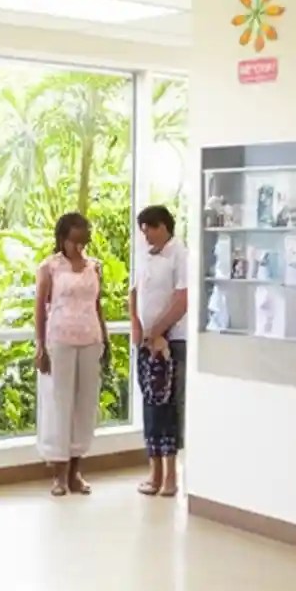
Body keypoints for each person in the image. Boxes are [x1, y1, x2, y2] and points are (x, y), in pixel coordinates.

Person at [34, 212, 109, 497]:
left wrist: (106, 341)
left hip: (90, 340)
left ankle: (77, 471)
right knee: (59, 403)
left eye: (83, 241)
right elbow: (40, 308)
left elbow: (97, 305)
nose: (79, 246)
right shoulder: (50, 267)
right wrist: (41, 346)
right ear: (63, 239)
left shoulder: (94, 267)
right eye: (74, 241)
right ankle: (59, 475)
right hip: (60, 341)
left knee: (84, 404)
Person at [130, 205, 188, 497]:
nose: (146, 235)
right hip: (146, 343)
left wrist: (158, 331)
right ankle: (153, 473)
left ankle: (171, 476)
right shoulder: (143, 254)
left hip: (171, 341)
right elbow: (134, 292)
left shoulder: (179, 252)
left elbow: (182, 299)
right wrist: (138, 329)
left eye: (150, 229)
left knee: (169, 407)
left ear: (163, 226)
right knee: (150, 406)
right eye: (142, 230)